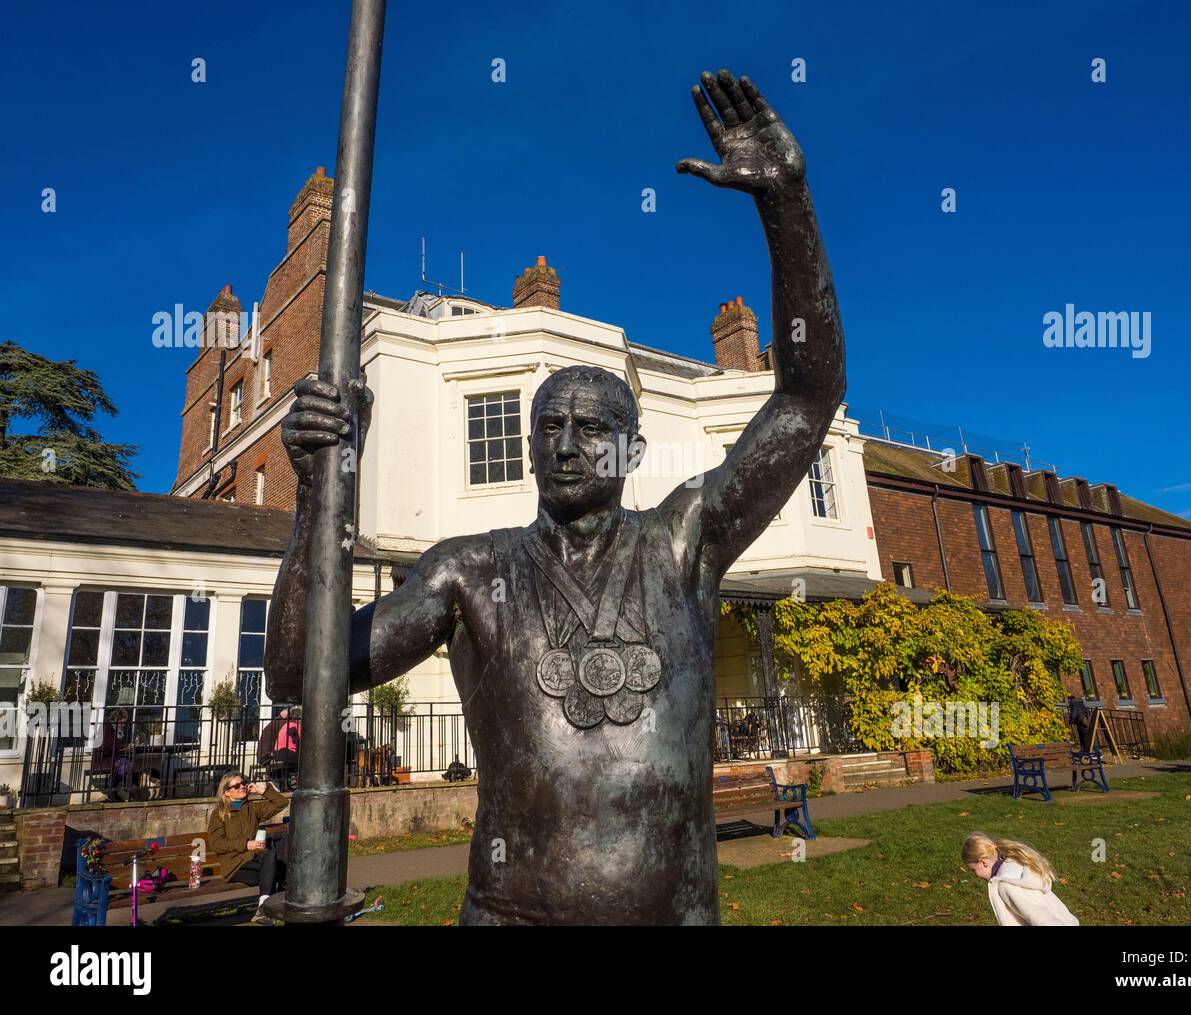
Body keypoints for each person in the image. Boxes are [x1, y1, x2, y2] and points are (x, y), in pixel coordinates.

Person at [266, 69, 847, 925]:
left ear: (632, 446)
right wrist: (320, 496)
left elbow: (806, 397)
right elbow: (298, 676)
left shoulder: (684, 543)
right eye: (549, 427)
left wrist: (787, 206)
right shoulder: (469, 572)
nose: (567, 442)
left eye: (591, 425)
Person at [207, 772, 291, 925]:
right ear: (226, 792)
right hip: (235, 865)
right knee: (275, 867)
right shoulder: (219, 814)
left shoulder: (253, 809)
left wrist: (262, 791)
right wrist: (246, 844)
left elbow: (282, 802)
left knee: (273, 859)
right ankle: (273, 908)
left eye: (243, 783)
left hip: (254, 859)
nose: (242, 787)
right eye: (236, 786)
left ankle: (263, 909)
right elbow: (216, 843)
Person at [962, 832, 1079, 926]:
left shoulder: (1006, 885)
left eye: (973, 870)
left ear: (983, 862)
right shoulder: (1015, 865)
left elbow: (1040, 919)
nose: (975, 875)